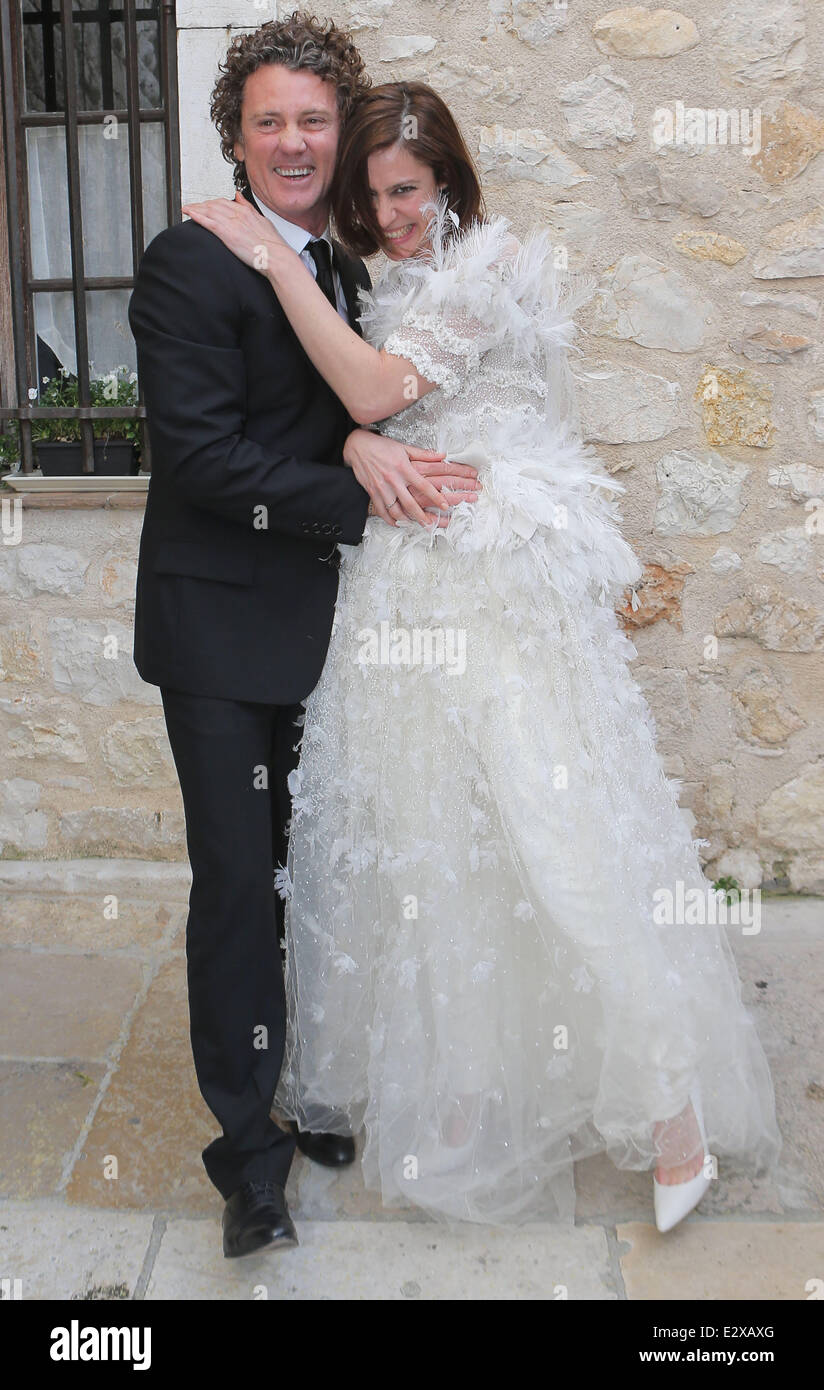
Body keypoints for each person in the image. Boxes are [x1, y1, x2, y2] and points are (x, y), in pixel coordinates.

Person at [183, 79, 782, 1231]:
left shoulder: (494, 266)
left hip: (501, 595)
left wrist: (268, 262)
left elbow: (368, 385)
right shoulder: (378, 282)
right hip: (403, 597)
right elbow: (355, 412)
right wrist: (357, 438)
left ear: (447, 176)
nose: (392, 216)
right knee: (427, 849)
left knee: (559, 838)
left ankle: (671, 1109)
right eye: (371, 198)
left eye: (405, 190)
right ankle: (461, 1090)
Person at [128, 18, 482, 1261]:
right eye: (270, 120)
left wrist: (348, 441)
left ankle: (300, 1082)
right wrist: (356, 476)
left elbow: (330, 401)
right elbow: (208, 456)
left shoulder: (334, 271)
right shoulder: (186, 262)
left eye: (314, 121)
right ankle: (247, 1153)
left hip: (324, 632)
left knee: (306, 874)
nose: (293, 141)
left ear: (340, 137)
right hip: (218, 630)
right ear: (235, 133)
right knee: (237, 890)